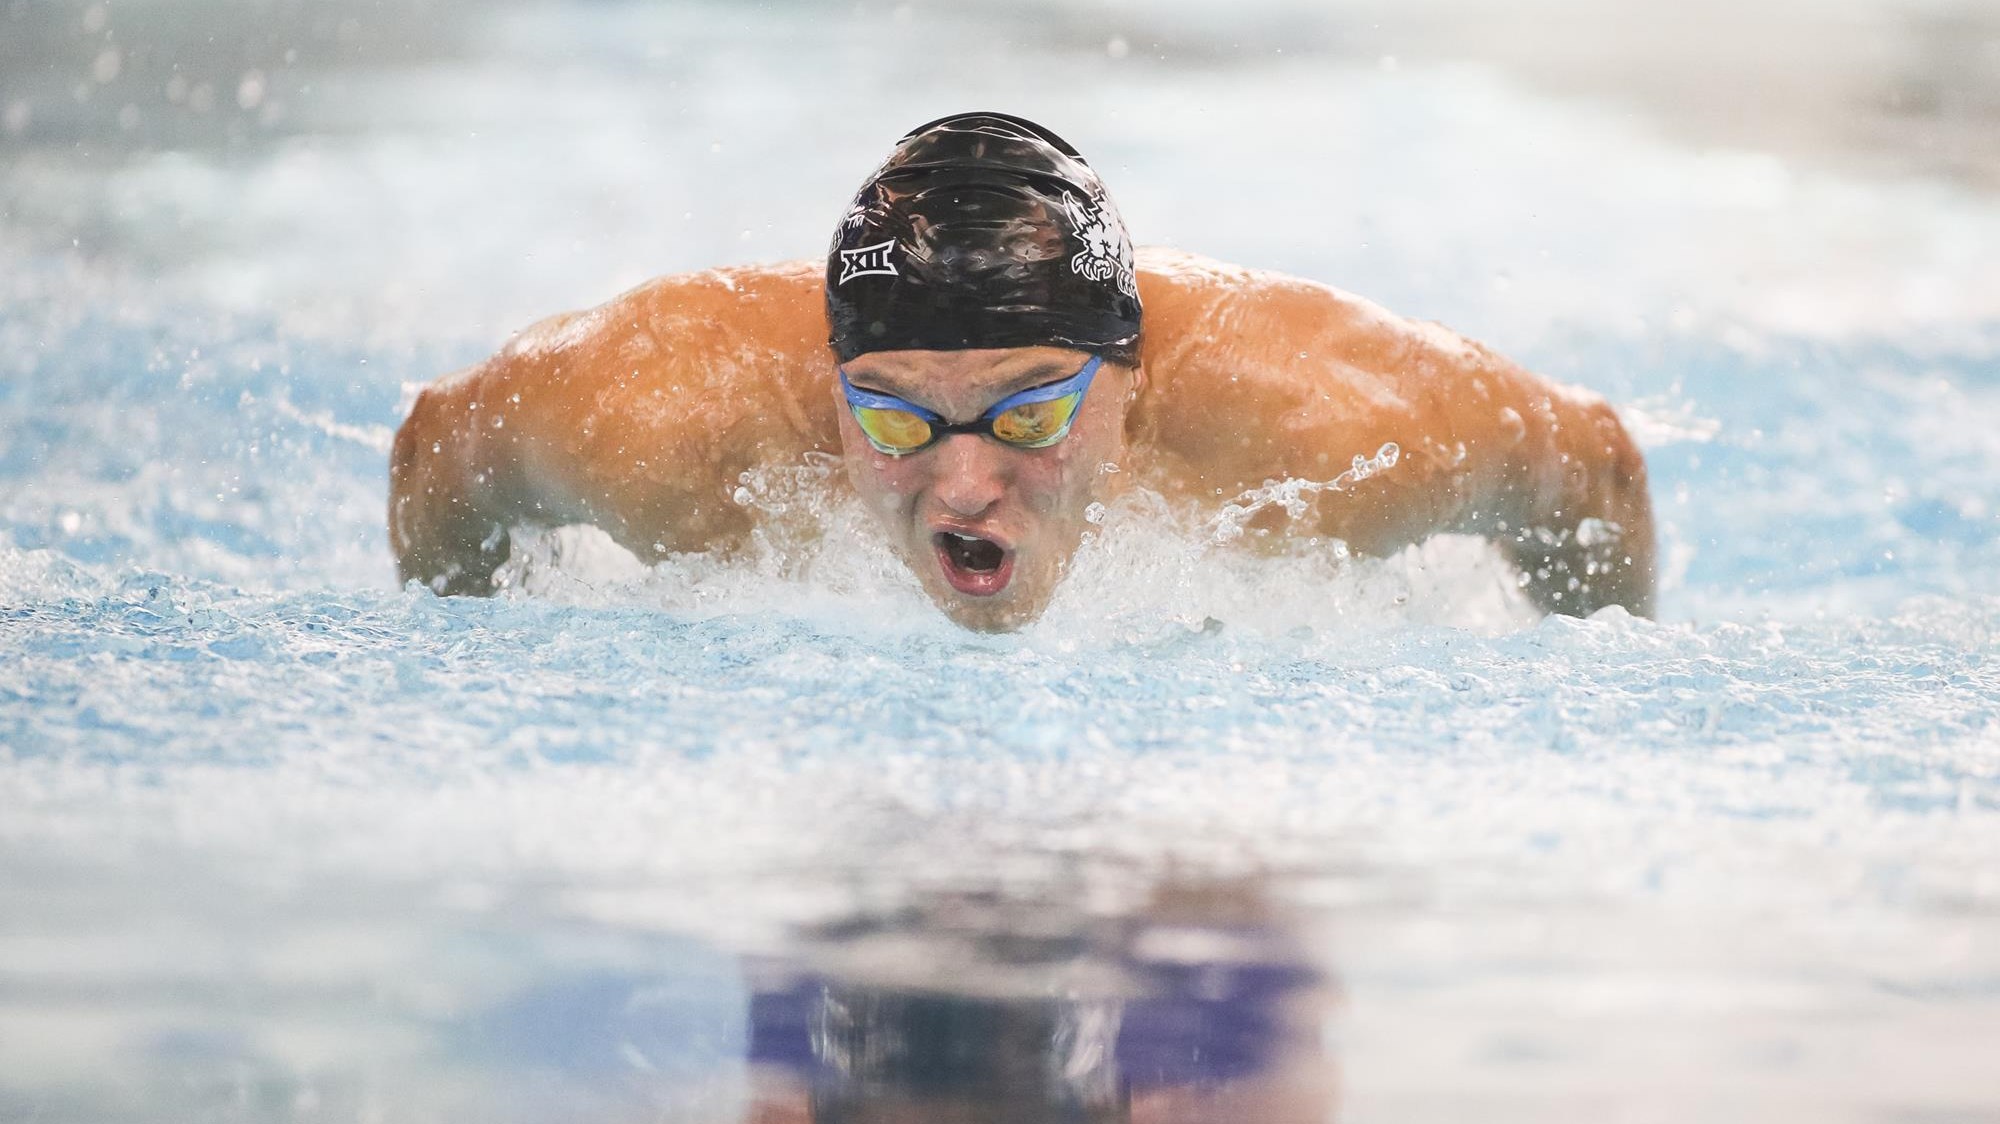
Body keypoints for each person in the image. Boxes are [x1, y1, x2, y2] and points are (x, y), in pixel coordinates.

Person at [390, 112, 1655, 631]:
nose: (963, 484)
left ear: (1131, 375)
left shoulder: (1328, 427)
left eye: (1031, 409)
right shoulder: (657, 414)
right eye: (893, 417)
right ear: (827, 383)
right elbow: (437, 447)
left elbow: (1591, 462)